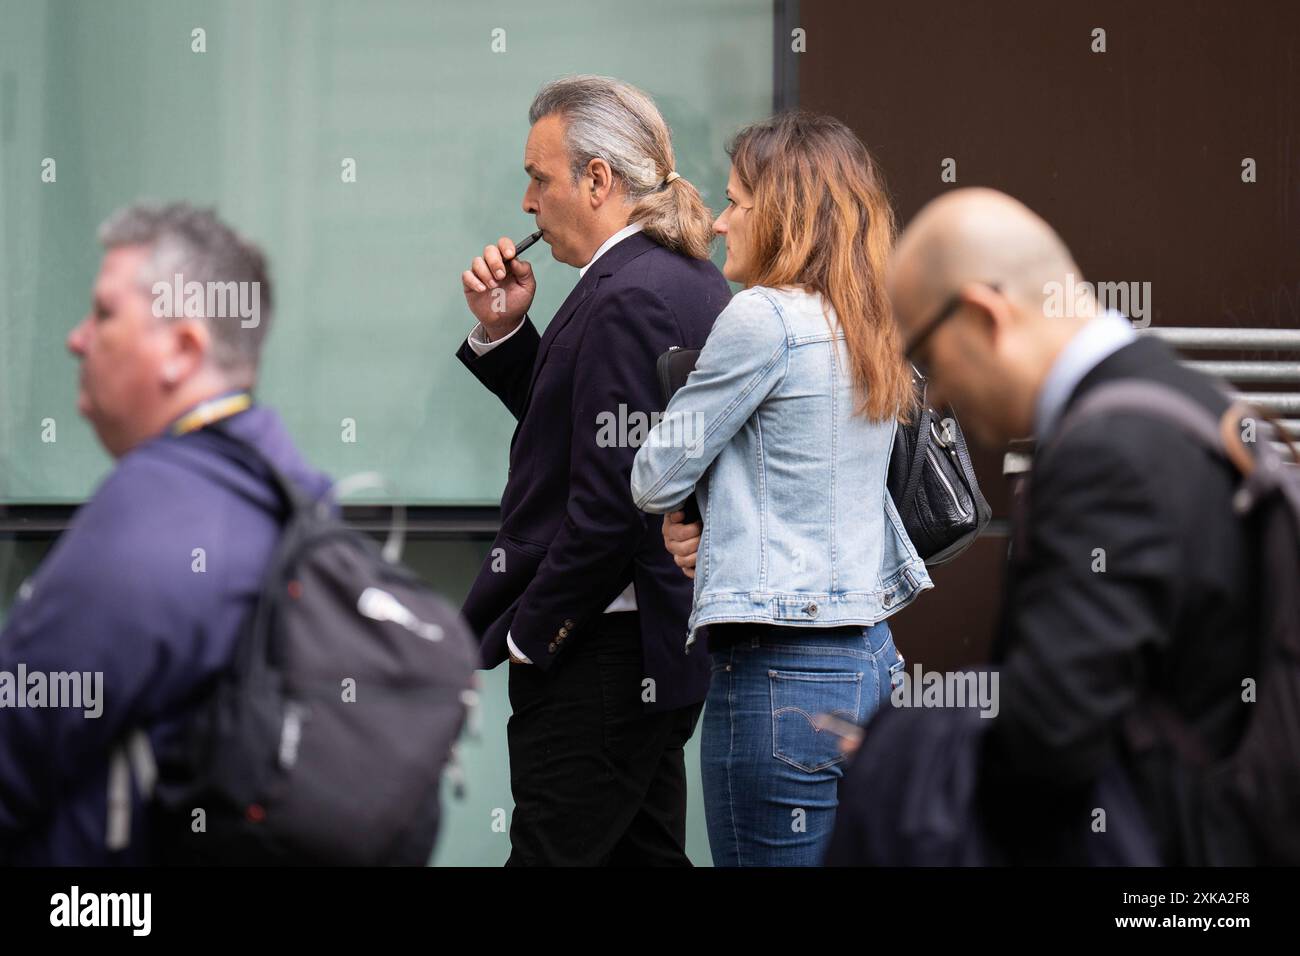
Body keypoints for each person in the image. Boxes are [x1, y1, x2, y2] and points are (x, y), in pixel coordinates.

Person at [835, 186, 1260, 864]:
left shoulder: (1108, 455)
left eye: (931, 360)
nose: (935, 395)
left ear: (983, 315)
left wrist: (911, 748)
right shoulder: (1191, 402)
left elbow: (1053, 737)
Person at [630, 112, 932, 866]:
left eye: (737, 202)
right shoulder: (870, 321)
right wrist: (724, 520)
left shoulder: (762, 318)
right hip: (872, 660)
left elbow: (654, 473)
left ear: (787, 213)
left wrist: (695, 507)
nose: (723, 222)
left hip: (776, 672)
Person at [0, 203, 332, 864]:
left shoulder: (155, 514)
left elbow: (14, 748)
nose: (76, 338)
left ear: (181, 351)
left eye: (103, 314)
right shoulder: (297, 492)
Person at [455, 75, 731, 866]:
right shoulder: (678, 276)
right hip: (642, 653)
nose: (527, 203)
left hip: (601, 659)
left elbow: (612, 504)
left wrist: (535, 637)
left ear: (598, 179)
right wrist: (509, 335)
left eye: (539, 178)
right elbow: (601, 441)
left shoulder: (624, 293)